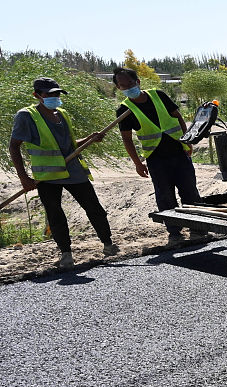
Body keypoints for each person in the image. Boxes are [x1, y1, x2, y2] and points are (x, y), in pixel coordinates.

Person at [8, 76, 119, 269]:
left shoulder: (62, 114)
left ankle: (108, 244)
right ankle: (66, 253)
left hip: (74, 171)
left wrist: (89, 139)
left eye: (57, 94)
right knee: (55, 214)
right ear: (37, 95)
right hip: (48, 176)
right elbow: (14, 146)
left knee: (94, 208)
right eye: (49, 94)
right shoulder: (26, 116)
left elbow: (70, 145)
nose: (55, 97)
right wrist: (23, 177)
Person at [113, 67, 202, 243]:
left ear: (137, 82)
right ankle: (174, 232)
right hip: (156, 159)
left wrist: (187, 141)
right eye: (123, 86)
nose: (128, 88)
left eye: (130, 84)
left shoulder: (158, 95)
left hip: (178, 152)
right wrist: (138, 163)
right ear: (119, 89)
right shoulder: (124, 110)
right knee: (165, 196)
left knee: (190, 191)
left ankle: (198, 227)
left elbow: (178, 117)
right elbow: (127, 140)